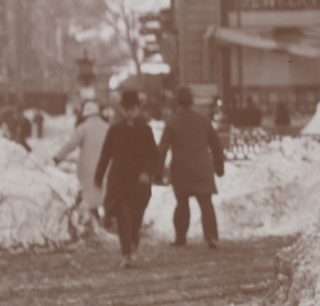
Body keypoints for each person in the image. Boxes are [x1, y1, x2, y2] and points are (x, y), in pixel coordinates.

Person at [94, 89, 160, 268]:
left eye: (133, 108)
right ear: (122, 110)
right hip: (120, 182)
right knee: (124, 217)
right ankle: (126, 254)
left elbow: (153, 155)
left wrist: (147, 172)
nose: (130, 112)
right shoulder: (115, 130)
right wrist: (99, 176)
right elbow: (106, 154)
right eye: (126, 108)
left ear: (138, 109)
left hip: (139, 184)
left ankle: (134, 236)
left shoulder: (146, 130)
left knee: (135, 218)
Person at [158, 85, 226, 249]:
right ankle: (211, 237)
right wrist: (219, 167)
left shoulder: (172, 122)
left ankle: (180, 237)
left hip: (181, 170)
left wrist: (157, 171)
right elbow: (216, 144)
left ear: (177, 102)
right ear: (192, 101)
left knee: (182, 204)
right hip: (202, 168)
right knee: (206, 204)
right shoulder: (203, 120)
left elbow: (162, 148)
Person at [54, 100, 110, 223]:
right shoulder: (107, 127)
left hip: (87, 167)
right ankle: (106, 217)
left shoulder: (83, 128)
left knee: (89, 196)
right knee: (103, 192)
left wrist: (58, 157)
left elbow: (70, 145)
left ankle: (94, 218)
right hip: (105, 167)